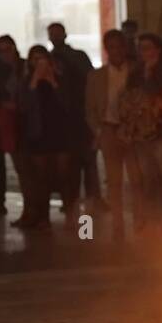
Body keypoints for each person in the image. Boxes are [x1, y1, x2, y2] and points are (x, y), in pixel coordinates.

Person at [118, 34, 162, 231]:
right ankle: (151, 218)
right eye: (142, 48)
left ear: (158, 50)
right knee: (147, 177)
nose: (145, 52)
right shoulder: (136, 73)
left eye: (148, 47)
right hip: (142, 132)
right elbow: (130, 97)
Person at [86, 29, 141, 241]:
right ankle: (118, 225)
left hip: (133, 131)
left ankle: (139, 220)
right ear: (107, 49)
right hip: (109, 129)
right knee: (114, 181)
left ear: (125, 48)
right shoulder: (96, 76)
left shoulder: (136, 72)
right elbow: (90, 108)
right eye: (111, 47)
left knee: (137, 179)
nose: (115, 51)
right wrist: (98, 131)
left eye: (119, 46)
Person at [48, 22, 107, 213]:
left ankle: (90, 200)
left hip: (80, 114)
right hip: (64, 118)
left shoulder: (76, 57)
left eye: (57, 34)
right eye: (52, 34)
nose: (55, 37)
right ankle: (77, 200)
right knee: (72, 163)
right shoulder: (50, 60)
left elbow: (90, 80)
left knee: (87, 160)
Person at [20, 46, 73, 230]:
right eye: (35, 59)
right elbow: (24, 107)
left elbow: (68, 104)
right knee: (41, 178)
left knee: (64, 175)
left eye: (42, 59)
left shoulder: (59, 79)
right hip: (38, 134)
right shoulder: (27, 81)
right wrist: (34, 82)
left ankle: (70, 214)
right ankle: (44, 217)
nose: (39, 63)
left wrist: (53, 81)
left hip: (60, 133)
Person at [0, 36, 28, 225]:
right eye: (1, 51)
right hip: (10, 123)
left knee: (30, 169)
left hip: (27, 123)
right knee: (21, 168)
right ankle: (29, 210)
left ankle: (35, 209)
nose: (5, 54)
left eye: (7, 49)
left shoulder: (24, 66)